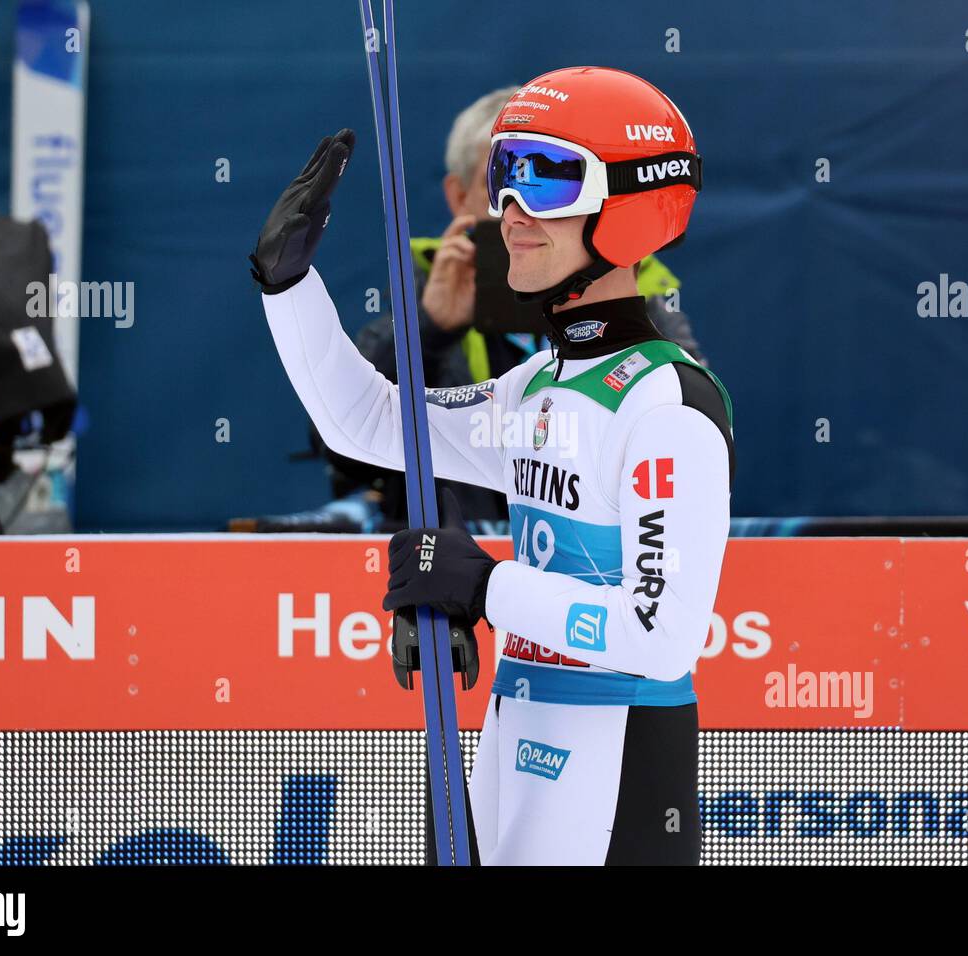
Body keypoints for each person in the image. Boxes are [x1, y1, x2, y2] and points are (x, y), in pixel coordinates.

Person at [251, 66, 733, 865]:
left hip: (613, 755)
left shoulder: (666, 404)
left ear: (629, 204)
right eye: (505, 176)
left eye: (545, 178)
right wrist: (289, 287)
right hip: (514, 733)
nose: (510, 210)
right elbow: (369, 422)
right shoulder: (537, 385)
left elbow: (660, 639)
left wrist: (483, 584)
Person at [313, 86, 708, 533]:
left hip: (592, 555)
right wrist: (429, 328)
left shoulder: (637, 281)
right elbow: (343, 442)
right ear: (458, 196)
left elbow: (687, 439)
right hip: (453, 551)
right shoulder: (425, 286)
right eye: (502, 179)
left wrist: (624, 310)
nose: (521, 210)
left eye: (550, 179)